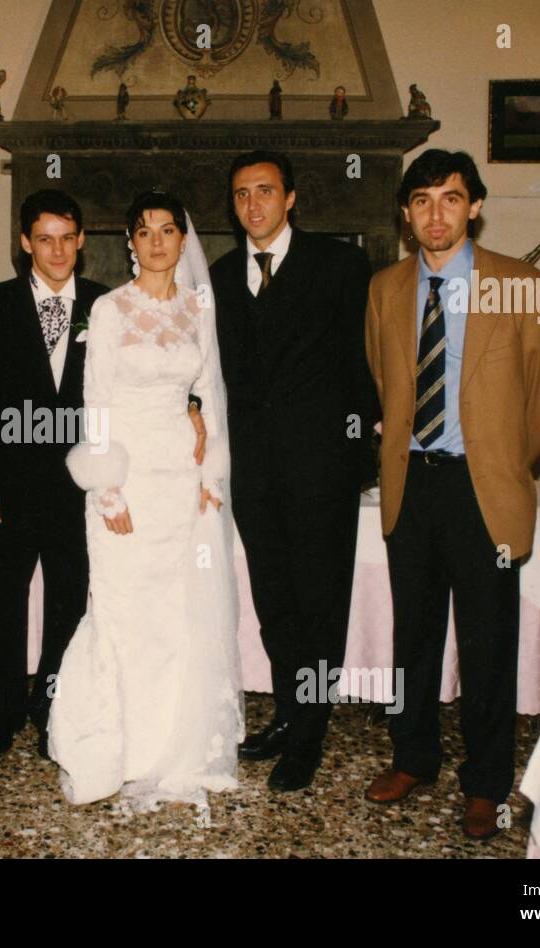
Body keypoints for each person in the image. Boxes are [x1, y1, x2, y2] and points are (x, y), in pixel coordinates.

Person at [0, 190, 209, 759]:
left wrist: (191, 404)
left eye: (68, 238)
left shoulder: (108, 304)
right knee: (6, 604)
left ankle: (50, 708)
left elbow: (153, 371)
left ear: (82, 242)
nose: (58, 249)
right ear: (25, 244)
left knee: (69, 606)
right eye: (45, 238)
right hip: (7, 489)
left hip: (78, 489)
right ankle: (4, 710)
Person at [363, 149, 540, 839]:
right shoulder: (386, 289)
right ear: (406, 213)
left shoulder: (520, 284)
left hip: (483, 492)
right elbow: (382, 374)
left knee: (487, 643)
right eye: (421, 201)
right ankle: (412, 757)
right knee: (413, 638)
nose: (435, 214)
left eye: (450, 198)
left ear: (474, 205)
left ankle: (485, 785)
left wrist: (504, 461)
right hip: (411, 487)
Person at [48, 190, 244, 811]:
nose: (157, 241)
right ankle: (116, 749)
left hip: (182, 487)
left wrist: (213, 478)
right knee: (121, 609)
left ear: (184, 241)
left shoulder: (198, 310)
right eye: (144, 231)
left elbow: (209, 395)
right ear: (130, 243)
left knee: (178, 616)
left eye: (168, 230)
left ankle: (174, 749)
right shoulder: (108, 310)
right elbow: (95, 403)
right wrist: (106, 490)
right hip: (127, 485)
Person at [210, 151, 376, 792]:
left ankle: (309, 737)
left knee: (319, 607)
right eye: (242, 194)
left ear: (291, 197)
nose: (253, 204)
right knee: (275, 606)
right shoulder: (222, 276)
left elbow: (362, 369)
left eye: (265, 191)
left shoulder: (340, 265)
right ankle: (290, 711)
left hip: (320, 474)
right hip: (252, 476)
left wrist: (353, 459)